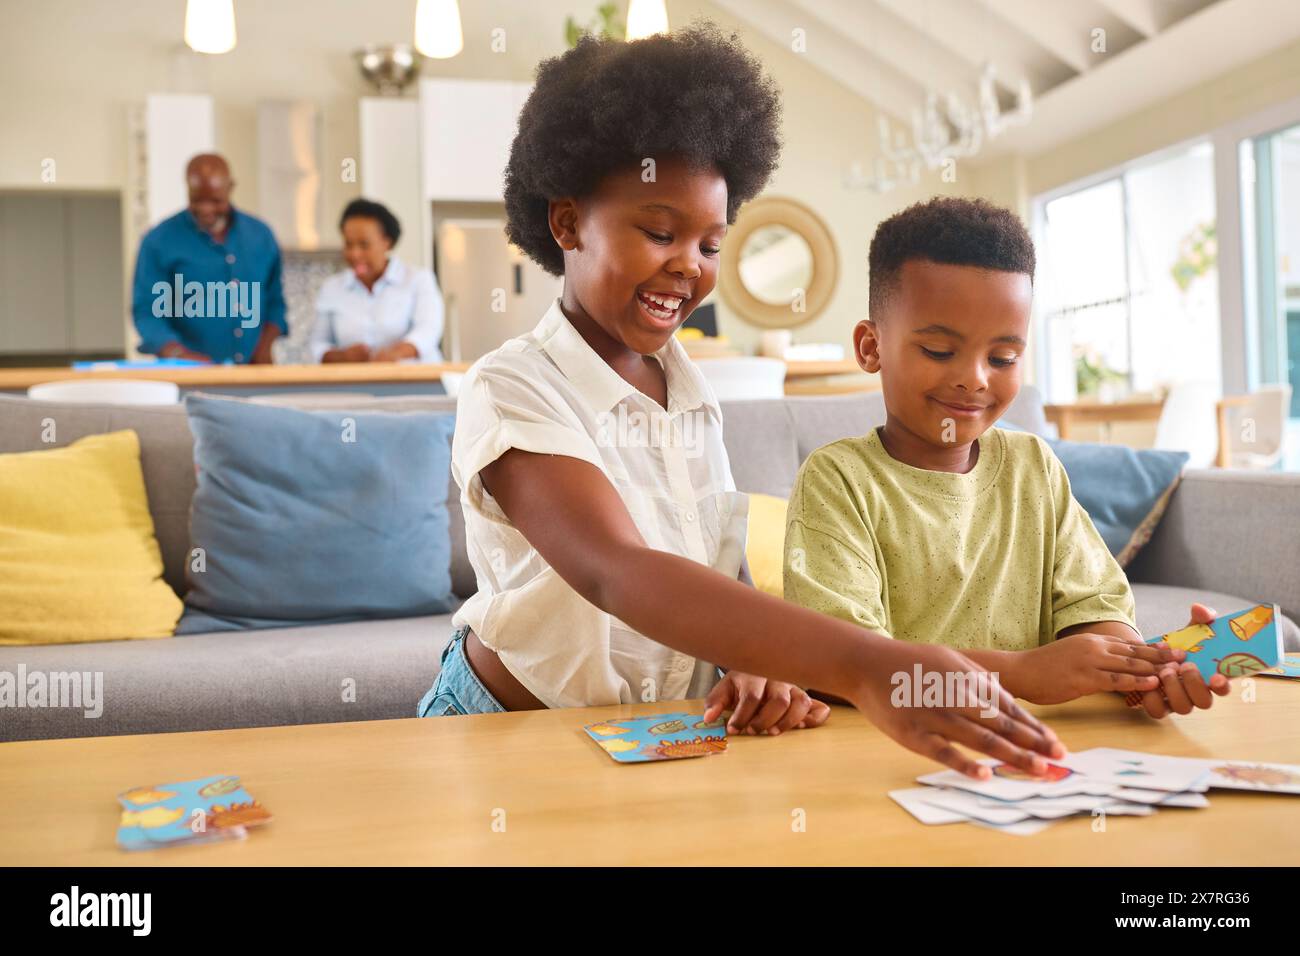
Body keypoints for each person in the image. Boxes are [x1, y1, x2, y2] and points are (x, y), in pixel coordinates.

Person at [414, 25, 1065, 780]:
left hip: (651, 740)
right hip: (505, 734)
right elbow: (616, 570)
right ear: (567, 224)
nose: (687, 265)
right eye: (659, 231)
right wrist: (864, 663)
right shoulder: (513, 385)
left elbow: (709, 568)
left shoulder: (690, 392)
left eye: (711, 245)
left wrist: (750, 662)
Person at [783, 196, 1229, 720]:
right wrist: (1017, 674)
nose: (975, 377)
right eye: (939, 351)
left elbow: (1096, 610)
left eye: (1002, 358)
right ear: (870, 347)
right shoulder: (839, 480)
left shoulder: (1032, 466)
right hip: (886, 755)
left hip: (1039, 755)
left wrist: (1138, 668)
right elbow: (841, 667)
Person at [131, 153, 286, 363]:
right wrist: (179, 355)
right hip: (187, 376)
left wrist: (265, 347)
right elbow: (147, 312)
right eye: (197, 200)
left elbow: (275, 301)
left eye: (215, 201)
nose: (206, 209)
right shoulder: (158, 241)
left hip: (252, 374)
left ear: (230, 188)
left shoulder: (260, 236)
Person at [310, 199, 445, 363]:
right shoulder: (332, 288)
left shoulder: (418, 280)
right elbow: (318, 343)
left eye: (364, 245)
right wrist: (343, 356)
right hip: (355, 384)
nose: (354, 254)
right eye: (348, 244)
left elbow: (428, 330)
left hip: (416, 381)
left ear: (387, 242)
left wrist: (396, 354)